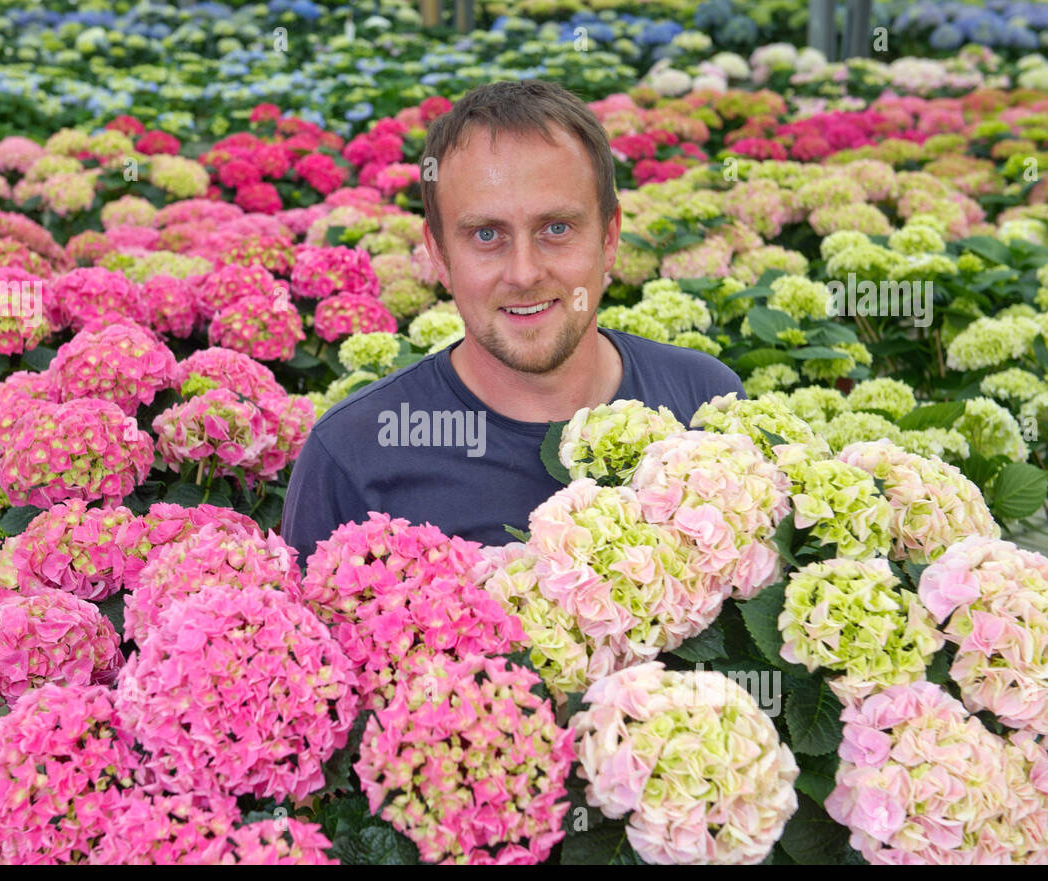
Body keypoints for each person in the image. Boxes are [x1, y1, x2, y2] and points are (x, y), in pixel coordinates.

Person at [281, 79, 744, 566]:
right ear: (438, 254)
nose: (524, 273)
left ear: (609, 239)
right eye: (486, 234)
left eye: (557, 229)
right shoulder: (354, 456)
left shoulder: (705, 403)